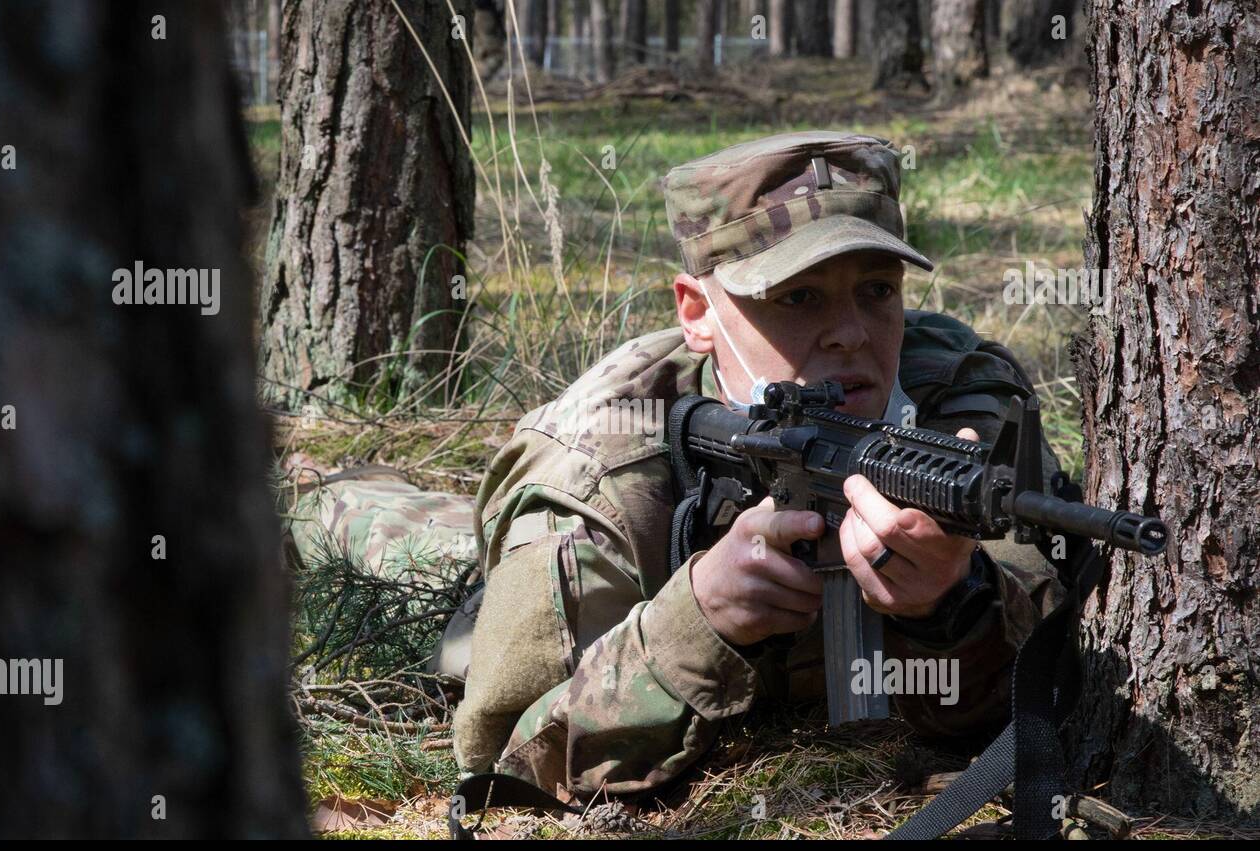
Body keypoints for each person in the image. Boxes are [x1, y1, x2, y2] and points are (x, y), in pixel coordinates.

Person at [449, 130, 1070, 800]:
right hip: (516, 559)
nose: (853, 333)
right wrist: (699, 616)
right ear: (697, 312)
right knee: (382, 525)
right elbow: (504, 755)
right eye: (799, 297)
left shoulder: (962, 404)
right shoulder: (596, 471)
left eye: (877, 289)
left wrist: (954, 608)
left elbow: (1063, 659)